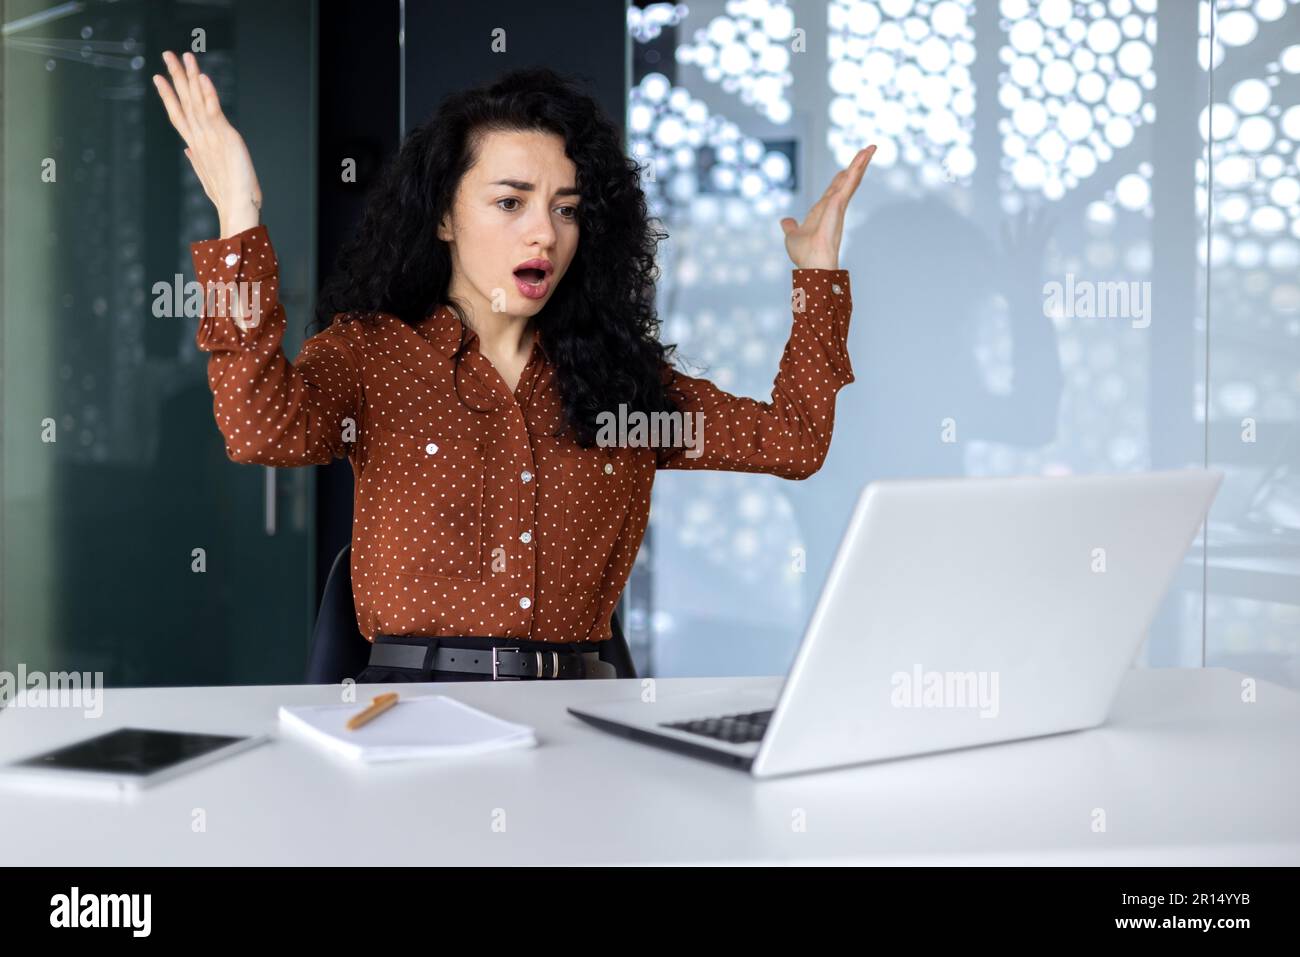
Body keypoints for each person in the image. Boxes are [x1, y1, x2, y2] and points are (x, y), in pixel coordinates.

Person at [152, 50, 873, 683]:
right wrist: (238, 214)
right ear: (443, 217)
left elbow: (795, 440)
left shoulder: (623, 381)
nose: (544, 231)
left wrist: (818, 279)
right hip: (411, 715)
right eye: (510, 201)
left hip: (581, 720)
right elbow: (258, 431)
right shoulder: (370, 355)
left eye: (566, 207)